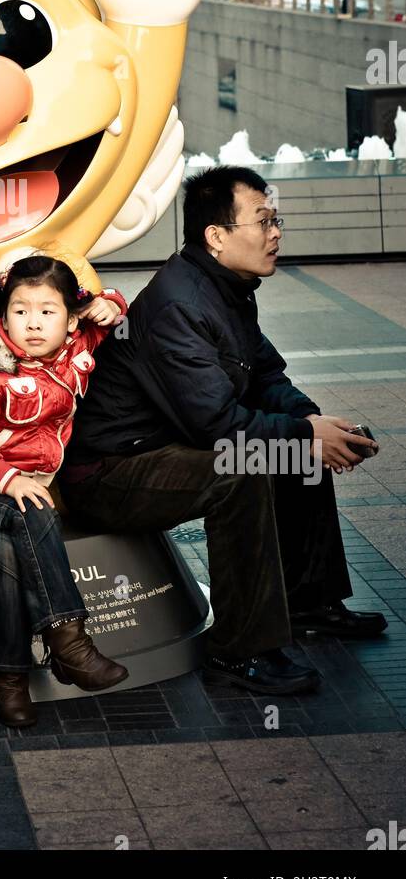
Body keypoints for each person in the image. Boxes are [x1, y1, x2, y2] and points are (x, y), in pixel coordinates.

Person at [58, 166, 386, 697]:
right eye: (263, 221)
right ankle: (241, 649)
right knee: (245, 468)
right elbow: (219, 429)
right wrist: (304, 435)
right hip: (110, 471)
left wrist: (313, 424)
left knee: (296, 442)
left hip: (169, 446)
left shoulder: (228, 287)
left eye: (275, 219)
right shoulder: (181, 304)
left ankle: (309, 602)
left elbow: (266, 376)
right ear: (216, 236)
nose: (276, 232)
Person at [0, 254, 130, 728]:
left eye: (47, 311)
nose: (33, 324)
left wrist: (109, 303)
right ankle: (70, 643)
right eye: (20, 311)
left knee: (6, 553)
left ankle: (10, 679)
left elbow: (111, 309)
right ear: (3, 315)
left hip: (16, 509)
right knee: (30, 508)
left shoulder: (76, 346)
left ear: (70, 318)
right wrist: (7, 477)